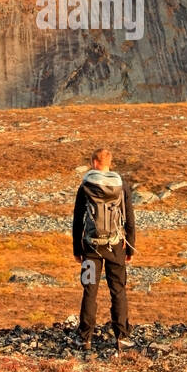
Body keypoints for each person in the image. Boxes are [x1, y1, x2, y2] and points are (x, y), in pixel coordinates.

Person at [72, 147, 135, 353]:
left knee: (90, 289)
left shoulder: (85, 185)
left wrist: (77, 247)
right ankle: (122, 337)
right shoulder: (121, 185)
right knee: (118, 290)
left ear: (93, 163)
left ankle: (85, 338)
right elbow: (130, 218)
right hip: (116, 246)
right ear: (110, 163)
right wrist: (130, 247)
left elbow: (78, 218)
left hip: (90, 248)